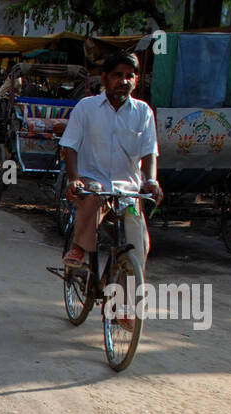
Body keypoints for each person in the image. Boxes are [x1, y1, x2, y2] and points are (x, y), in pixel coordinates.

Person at [59, 52, 162, 272]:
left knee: (139, 244)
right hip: (94, 184)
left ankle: (127, 299)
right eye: (117, 75)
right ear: (105, 78)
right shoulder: (86, 108)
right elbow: (70, 146)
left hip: (128, 192)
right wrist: (74, 179)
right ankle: (79, 247)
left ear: (135, 80)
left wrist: (152, 181)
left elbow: (149, 151)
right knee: (93, 193)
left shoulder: (143, 112)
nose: (123, 81)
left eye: (129, 76)